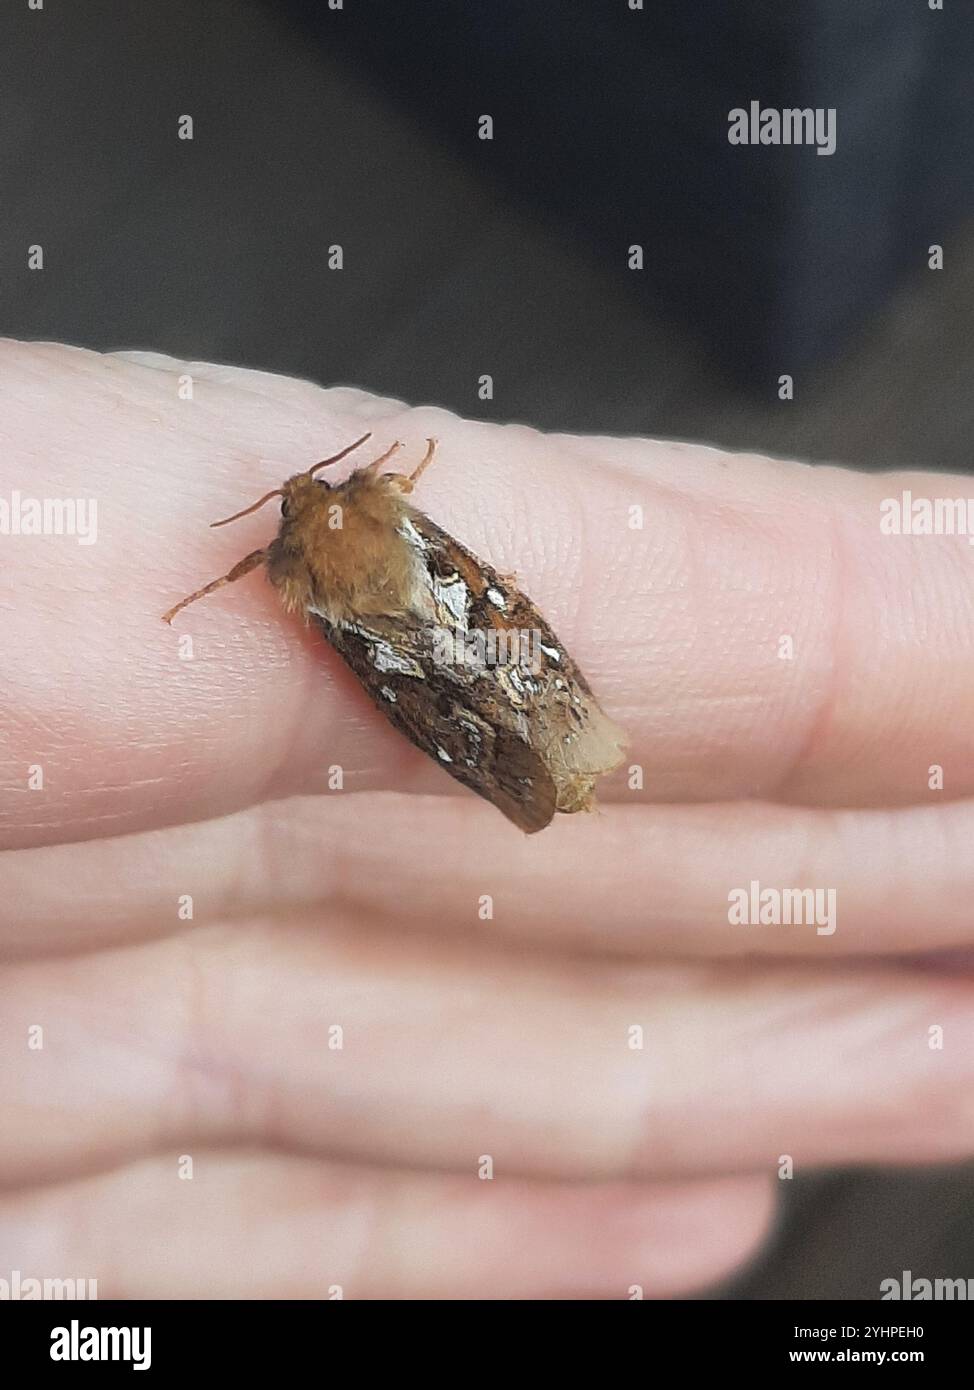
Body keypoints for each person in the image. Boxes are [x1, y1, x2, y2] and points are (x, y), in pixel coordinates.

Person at [1, 339, 970, 1299]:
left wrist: (206, 592)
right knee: (493, 645)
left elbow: (298, 574)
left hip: (398, 657)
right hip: (468, 602)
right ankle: (556, 756)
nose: (300, 494)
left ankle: (553, 763)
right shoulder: (399, 523)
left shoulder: (308, 567)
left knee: (424, 693)